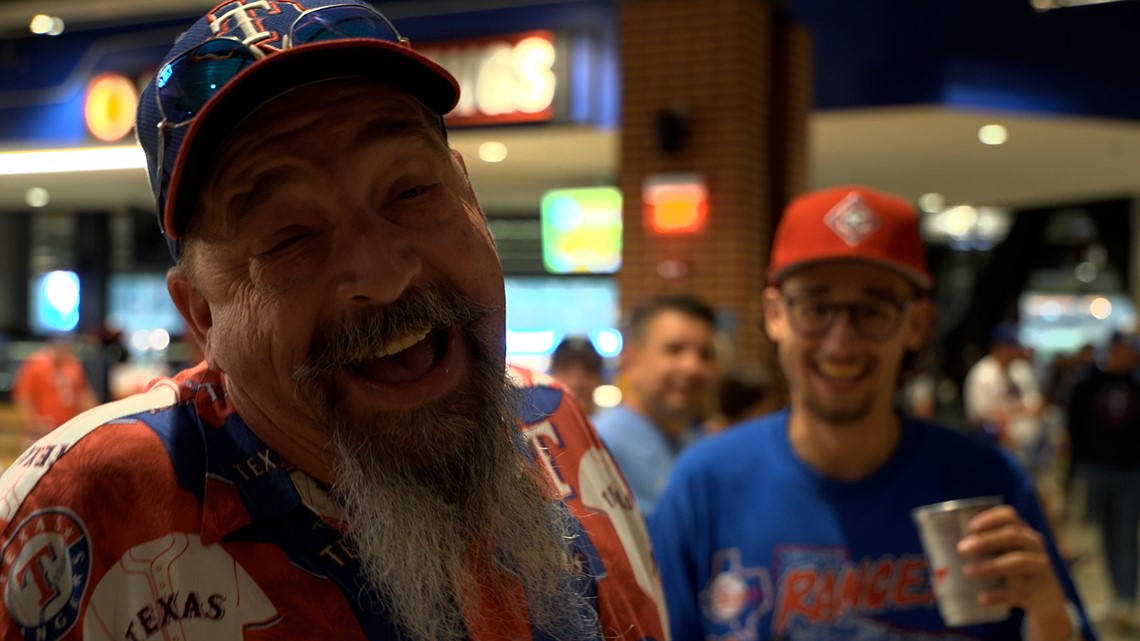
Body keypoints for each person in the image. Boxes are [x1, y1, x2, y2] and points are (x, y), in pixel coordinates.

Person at [0, 2, 666, 640]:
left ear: (469, 198)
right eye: (291, 237)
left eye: (410, 191)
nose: (381, 274)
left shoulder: (561, 429)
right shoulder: (83, 511)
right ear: (201, 314)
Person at [649, 185, 1095, 640]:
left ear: (916, 324)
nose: (841, 341)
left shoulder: (985, 482)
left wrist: (1046, 610)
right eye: (816, 308)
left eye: (873, 310)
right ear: (775, 315)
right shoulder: (704, 486)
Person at [593, 294, 718, 518]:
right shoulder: (598, 446)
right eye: (674, 350)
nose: (693, 367)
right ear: (630, 360)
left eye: (705, 354)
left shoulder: (696, 443)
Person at [1065, 331, 1140, 633]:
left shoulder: (1136, 384)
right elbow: (1075, 425)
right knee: (1106, 535)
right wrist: (1078, 466)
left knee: (1125, 535)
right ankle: (1116, 596)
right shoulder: (1089, 383)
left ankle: (1126, 598)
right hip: (1097, 469)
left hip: (1132, 472)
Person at [963, 322, 1046, 459]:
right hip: (994, 443)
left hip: (1027, 444)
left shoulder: (1019, 370)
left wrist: (1014, 411)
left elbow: (1037, 404)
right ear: (1000, 348)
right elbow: (979, 417)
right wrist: (1018, 410)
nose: (1016, 352)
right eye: (1012, 347)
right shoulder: (982, 374)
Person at [10, 335, 98, 447]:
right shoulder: (36, 365)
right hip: (43, 429)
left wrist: (91, 419)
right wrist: (32, 422)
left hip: (67, 428)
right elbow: (23, 396)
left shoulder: (73, 365)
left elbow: (84, 395)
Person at [549, 335, 605, 418]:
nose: (577, 381)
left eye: (588, 369)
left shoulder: (613, 427)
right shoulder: (537, 427)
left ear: (600, 378)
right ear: (552, 377)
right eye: (566, 369)